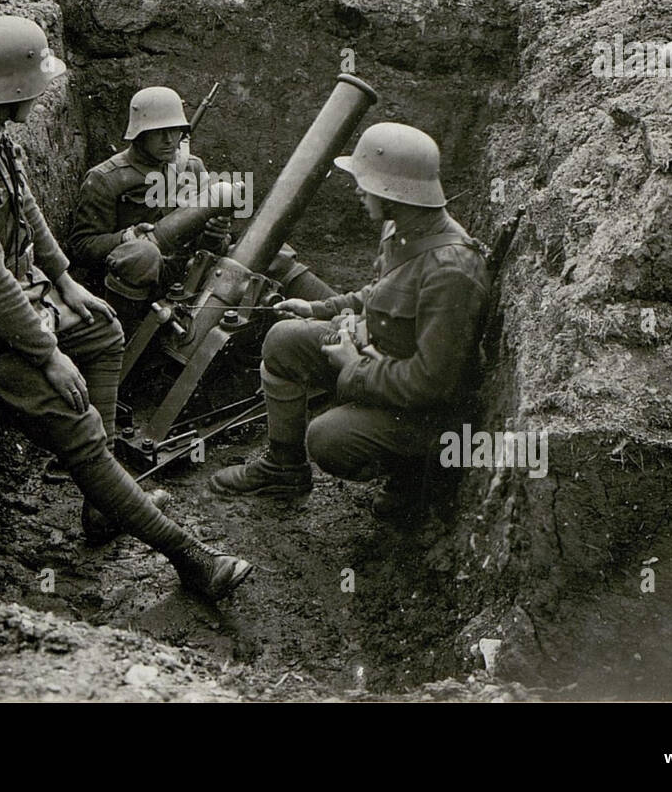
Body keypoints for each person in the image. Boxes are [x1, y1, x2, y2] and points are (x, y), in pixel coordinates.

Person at [0, 16, 251, 600]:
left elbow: (28, 209)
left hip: (24, 296)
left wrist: (66, 281)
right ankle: (193, 561)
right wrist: (47, 355)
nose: (43, 94)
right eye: (35, 83)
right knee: (82, 427)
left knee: (103, 330)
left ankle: (103, 505)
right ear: (10, 87)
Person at [208, 122, 489, 523]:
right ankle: (282, 469)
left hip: (430, 415)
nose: (358, 190)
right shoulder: (401, 228)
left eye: (366, 182)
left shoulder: (452, 272)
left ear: (395, 191)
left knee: (327, 439)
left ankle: (417, 476)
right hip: (380, 360)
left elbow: (434, 384)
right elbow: (378, 293)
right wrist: (319, 309)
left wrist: (353, 368)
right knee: (284, 339)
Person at [69, 86, 333, 332]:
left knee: (268, 250)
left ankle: (343, 311)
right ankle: (124, 338)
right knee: (142, 254)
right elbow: (81, 248)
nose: (169, 139)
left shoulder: (191, 167)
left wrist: (216, 234)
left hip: (189, 273)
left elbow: (212, 244)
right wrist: (127, 237)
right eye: (159, 131)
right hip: (138, 283)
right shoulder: (105, 178)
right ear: (139, 132)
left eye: (175, 130)